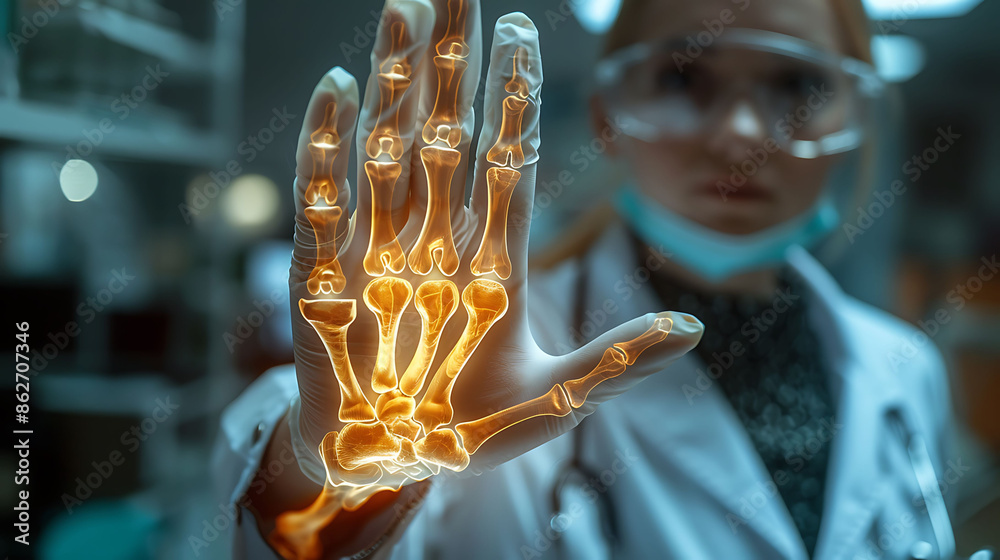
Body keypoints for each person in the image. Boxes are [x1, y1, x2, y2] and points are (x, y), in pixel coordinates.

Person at [214, 0, 956, 558]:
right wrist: (326, 486)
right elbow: (320, 539)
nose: (742, 133)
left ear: (858, 116)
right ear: (607, 113)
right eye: (685, 77)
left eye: (795, 85)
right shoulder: (451, 350)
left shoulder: (905, 371)